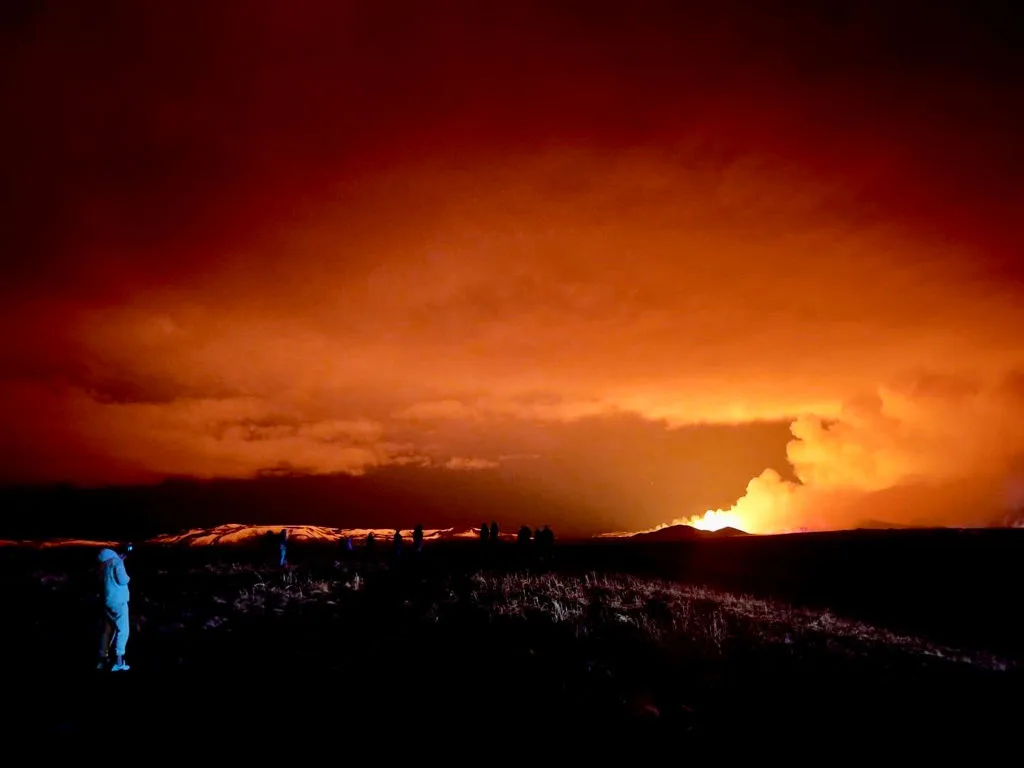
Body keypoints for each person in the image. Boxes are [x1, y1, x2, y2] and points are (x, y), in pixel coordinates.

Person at [98, 545, 131, 671]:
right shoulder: (117, 562)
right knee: (123, 631)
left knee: (108, 631)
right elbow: (122, 580)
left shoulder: (104, 564)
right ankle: (119, 662)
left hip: (108, 601)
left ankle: (103, 659)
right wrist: (128, 577)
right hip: (119, 602)